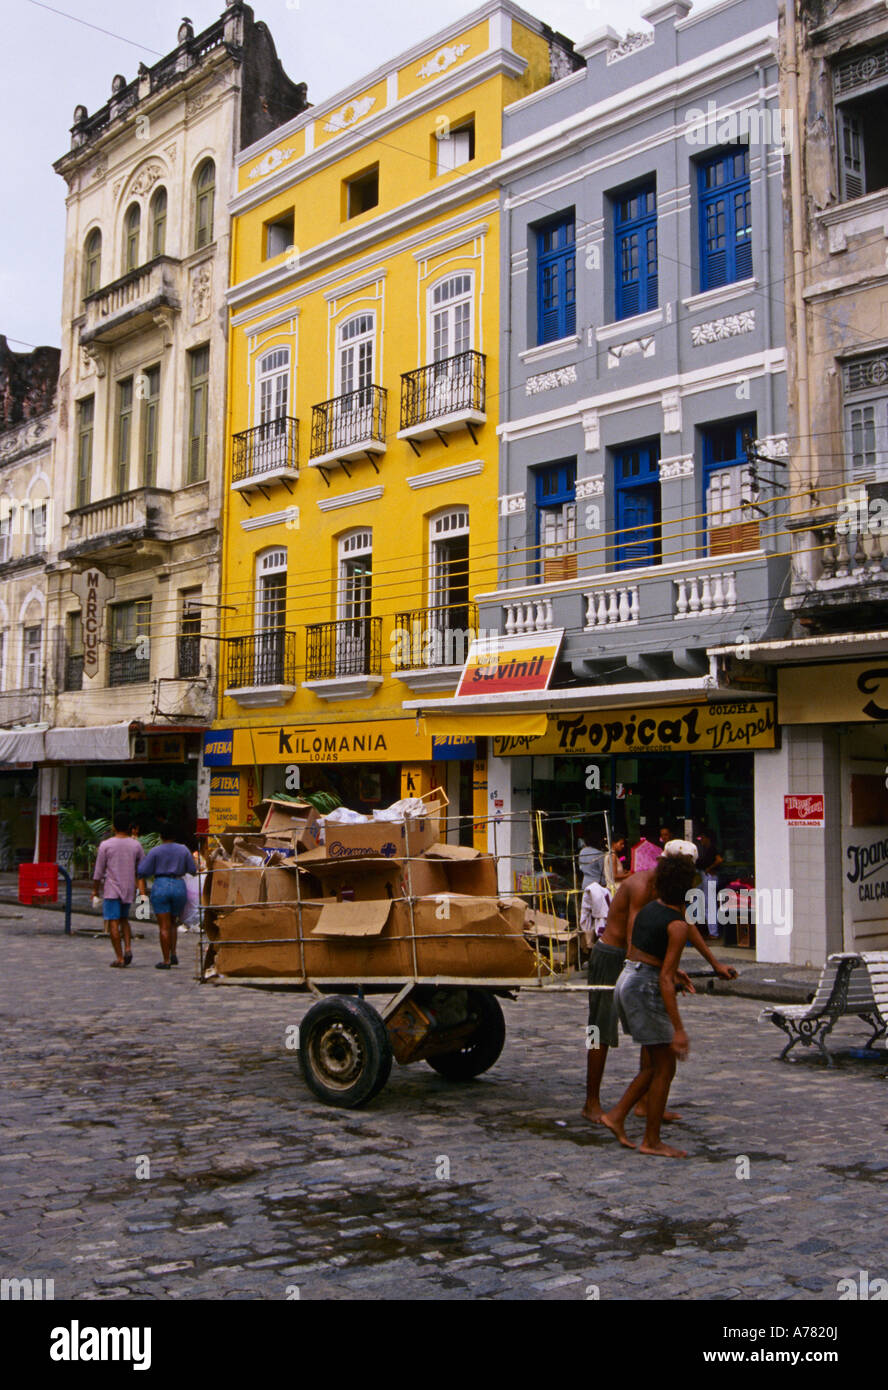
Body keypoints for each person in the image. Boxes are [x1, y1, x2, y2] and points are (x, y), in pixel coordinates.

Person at [582, 839, 737, 1124]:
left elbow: (685, 924)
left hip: (641, 958)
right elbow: (635, 936)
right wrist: (663, 968)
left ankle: (645, 1103)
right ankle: (591, 1101)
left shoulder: (670, 891)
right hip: (615, 955)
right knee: (598, 1030)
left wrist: (714, 964)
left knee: (652, 1029)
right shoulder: (642, 885)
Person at [600, 852, 700, 1157]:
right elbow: (665, 981)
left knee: (656, 1065)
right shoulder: (678, 926)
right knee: (664, 1065)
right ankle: (651, 1140)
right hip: (644, 989)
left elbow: (646, 955)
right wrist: (679, 1029)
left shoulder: (650, 910)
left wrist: (668, 971)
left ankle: (617, 1116)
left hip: (627, 979)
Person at [137, 824, 198, 970]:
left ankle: (165, 960)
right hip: (178, 885)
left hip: (161, 886)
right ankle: (173, 953)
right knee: (173, 923)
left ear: (161, 836)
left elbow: (142, 870)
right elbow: (193, 870)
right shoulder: (183, 849)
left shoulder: (155, 851)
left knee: (163, 926)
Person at [92, 811, 143, 968]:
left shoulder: (106, 845)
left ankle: (120, 957)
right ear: (129, 827)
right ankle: (128, 948)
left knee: (113, 922)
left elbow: (98, 872)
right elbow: (141, 869)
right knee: (124, 920)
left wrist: (95, 891)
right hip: (128, 887)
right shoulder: (136, 845)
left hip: (112, 888)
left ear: (113, 827)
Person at [696, 828, 724, 939]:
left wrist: (709, 868)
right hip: (705, 876)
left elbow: (719, 860)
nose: (701, 840)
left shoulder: (712, 848)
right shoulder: (706, 849)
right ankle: (709, 929)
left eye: (702, 838)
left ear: (707, 838)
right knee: (700, 899)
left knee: (710, 904)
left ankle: (714, 932)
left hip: (710, 876)